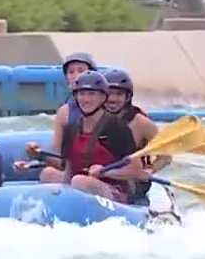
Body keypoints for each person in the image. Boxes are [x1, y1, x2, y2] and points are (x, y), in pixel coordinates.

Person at [17, 71, 145, 203]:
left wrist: (105, 173)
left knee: (80, 182)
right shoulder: (71, 128)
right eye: (82, 94)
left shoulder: (116, 127)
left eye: (92, 94)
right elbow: (68, 170)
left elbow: (137, 170)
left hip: (114, 190)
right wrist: (36, 157)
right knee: (48, 174)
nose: (86, 99)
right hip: (78, 183)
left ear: (103, 97)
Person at [103, 67, 172, 202]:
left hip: (132, 181)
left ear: (127, 97)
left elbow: (166, 156)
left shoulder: (141, 123)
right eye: (109, 93)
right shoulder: (94, 118)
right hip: (103, 174)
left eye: (118, 94)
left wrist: (150, 170)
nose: (112, 99)